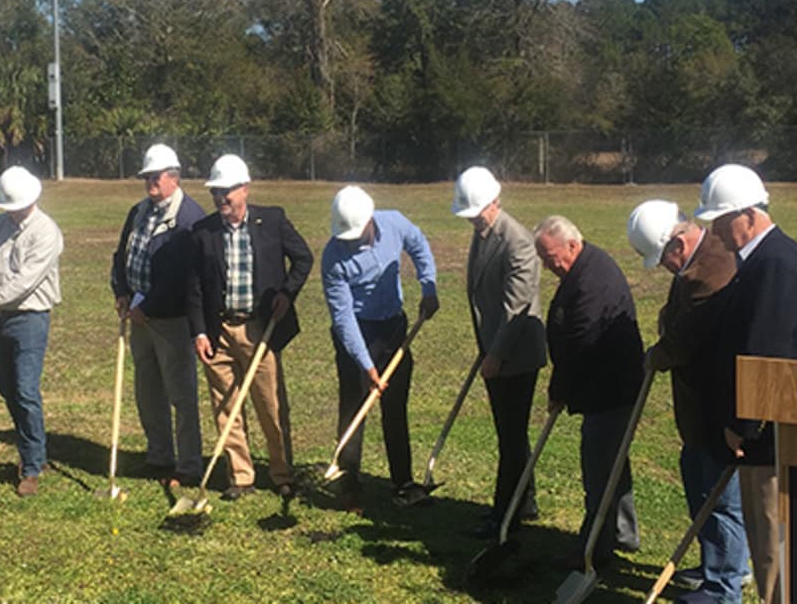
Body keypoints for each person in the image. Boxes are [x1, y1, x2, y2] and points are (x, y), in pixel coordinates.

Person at [694, 164, 797, 604]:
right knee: (764, 541)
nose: (714, 231)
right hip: (764, 433)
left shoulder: (776, 265)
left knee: (773, 545)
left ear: (749, 214)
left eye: (720, 220)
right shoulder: (762, 262)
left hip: (773, 436)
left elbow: (764, 351)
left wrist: (743, 424)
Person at [628, 200, 750, 603]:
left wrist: (658, 354)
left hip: (717, 405)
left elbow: (683, 338)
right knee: (700, 489)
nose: (664, 266)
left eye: (663, 257)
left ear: (678, 242)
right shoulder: (691, 265)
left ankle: (724, 585)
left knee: (720, 498)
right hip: (697, 407)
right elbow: (670, 317)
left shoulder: (710, 271)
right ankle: (714, 564)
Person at [186, 154, 313, 501]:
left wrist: (287, 293)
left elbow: (303, 258)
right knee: (226, 406)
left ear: (244, 189)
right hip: (218, 333)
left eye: (227, 191)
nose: (221, 198)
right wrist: (198, 331)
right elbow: (194, 285)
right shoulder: (203, 232)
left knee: (270, 406)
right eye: (216, 192)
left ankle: (282, 473)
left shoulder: (271, 220)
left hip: (261, 331)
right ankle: (240, 476)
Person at [534, 215, 643, 567]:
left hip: (610, 386)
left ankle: (597, 547)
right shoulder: (582, 266)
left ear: (572, 243)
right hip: (603, 384)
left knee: (599, 465)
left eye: (551, 257)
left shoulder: (593, 278)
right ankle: (623, 534)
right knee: (612, 461)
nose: (550, 266)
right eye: (544, 259)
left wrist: (560, 387)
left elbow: (582, 341)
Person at [322, 185, 440, 510]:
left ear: (371, 220)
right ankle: (349, 484)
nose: (351, 241)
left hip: (393, 328)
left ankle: (402, 482)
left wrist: (428, 286)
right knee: (354, 409)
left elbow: (418, 246)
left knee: (395, 406)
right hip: (357, 332)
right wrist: (366, 364)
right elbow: (343, 317)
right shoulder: (333, 257)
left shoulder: (395, 223)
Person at [453, 167, 547, 538]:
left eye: (477, 212)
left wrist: (495, 354)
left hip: (516, 354)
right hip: (494, 347)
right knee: (511, 432)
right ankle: (526, 502)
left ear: (495, 202)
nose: (473, 220)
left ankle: (503, 515)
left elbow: (517, 308)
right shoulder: (484, 233)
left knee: (510, 436)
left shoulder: (517, 241)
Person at [0, 166, 64, 497]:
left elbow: (24, 283)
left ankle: (31, 466)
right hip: (0, 317)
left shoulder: (46, 232)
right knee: (7, 389)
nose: (10, 212)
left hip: (30, 317)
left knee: (25, 389)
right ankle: (35, 450)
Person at [110, 144, 204, 486]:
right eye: (146, 177)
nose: (150, 182)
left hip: (171, 319)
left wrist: (146, 308)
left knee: (181, 393)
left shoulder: (189, 218)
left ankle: (190, 463)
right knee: (148, 389)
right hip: (138, 317)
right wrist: (121, 291)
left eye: (155, 176)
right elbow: (121, 254)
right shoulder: (139, 211)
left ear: (174, 178)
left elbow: (183, 278)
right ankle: (159, 454)